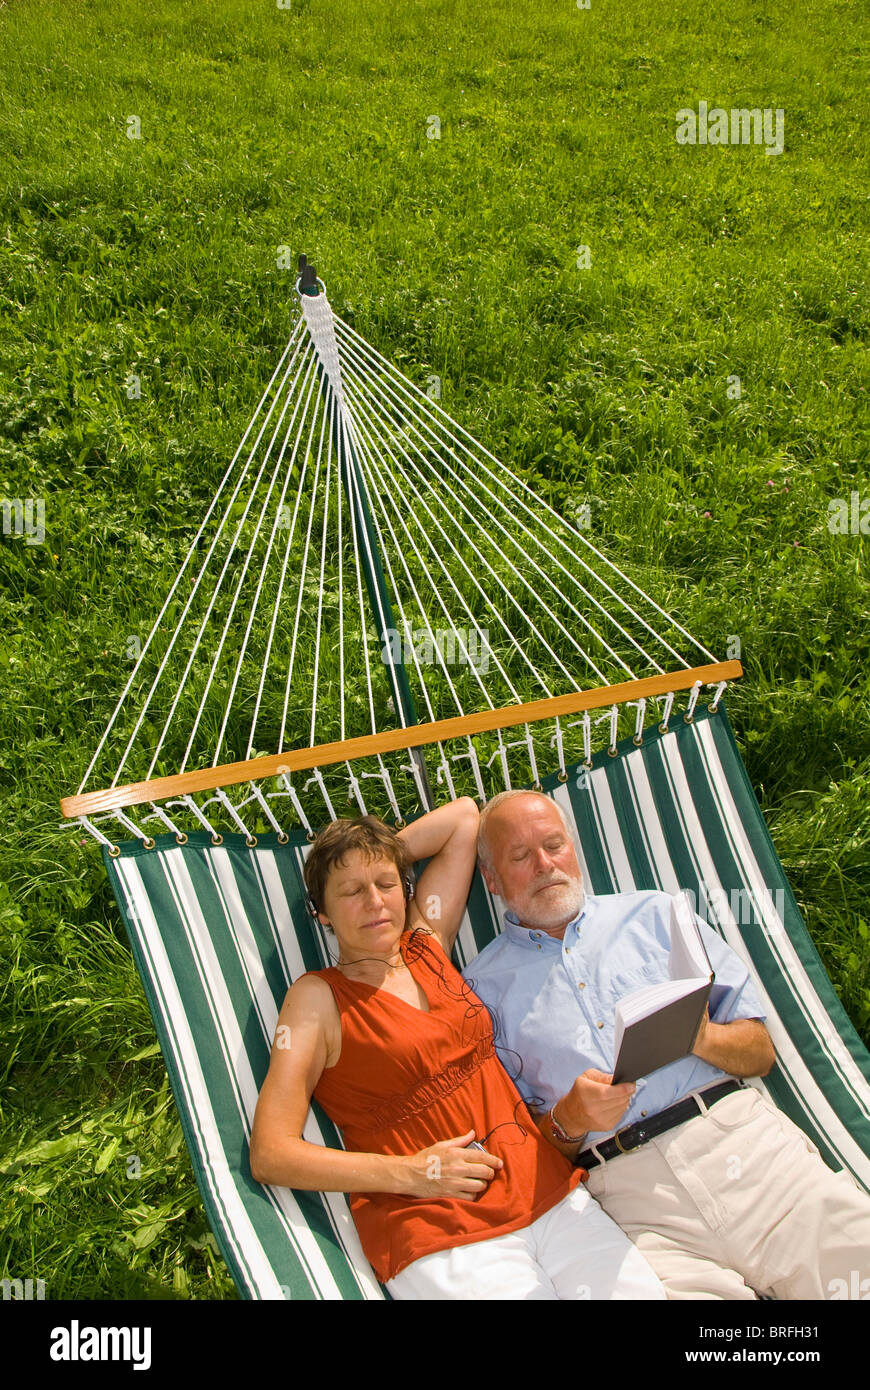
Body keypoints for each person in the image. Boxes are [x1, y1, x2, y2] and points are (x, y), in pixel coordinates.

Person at [462, 788, 870, 1301]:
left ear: (573, 848)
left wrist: (700, 1036)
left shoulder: (655, 916)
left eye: (554, 845)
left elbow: (759, 1052)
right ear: (491, 879)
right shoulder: (478, 994)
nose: (545, 865)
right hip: (631, 1203)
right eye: (521, 856)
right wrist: (569, 1120)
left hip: (746, 1152)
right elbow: (519, 1153)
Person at [249, 797, 665, 1300]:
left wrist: (379, 852)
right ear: (322, 914)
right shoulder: (316, 999)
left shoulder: (428, 946)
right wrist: (411, 1172)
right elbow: (270, 1153)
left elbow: (465, 816)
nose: (376, 902)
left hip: (546, 1190)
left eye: (386, 885)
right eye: (352, 892)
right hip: (439, 1230)